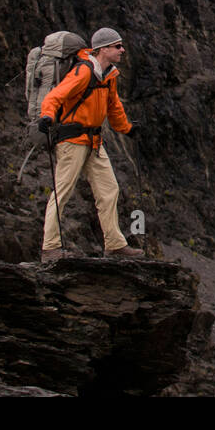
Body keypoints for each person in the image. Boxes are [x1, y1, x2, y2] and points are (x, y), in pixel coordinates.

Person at [37, 27, 144, 260]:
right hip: (72, 141)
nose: (122, 50)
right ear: (103, 49)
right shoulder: (84, 72)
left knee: (109, 190)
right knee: (62, 191)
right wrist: (47, 115)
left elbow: (114, 108)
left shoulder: (109, 76)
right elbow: (55, 97)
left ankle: (114, 244)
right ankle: (50, 247)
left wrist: (127, 129)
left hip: (94, 141)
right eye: (117, 46)